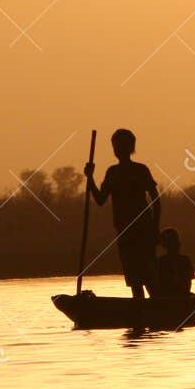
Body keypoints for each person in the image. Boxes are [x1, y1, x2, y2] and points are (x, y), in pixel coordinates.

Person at [85, 128, 161, 299]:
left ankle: (156, 310)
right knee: (134, 279)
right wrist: (90, 178)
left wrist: (155, 227)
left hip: (144, 230)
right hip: (124, 231)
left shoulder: (141, 170)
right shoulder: (112, 172)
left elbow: (156, 200)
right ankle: (141, 313)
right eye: (115, 146)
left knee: (149, 276)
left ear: (130, 147)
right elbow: (100, 199)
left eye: (121, 146)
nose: (117, 149)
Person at [154, 227, 195, 297]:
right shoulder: (185, 260)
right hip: (172, 295)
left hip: (172, 295)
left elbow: (188, 281)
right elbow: (188, 281)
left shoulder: (160, 261)